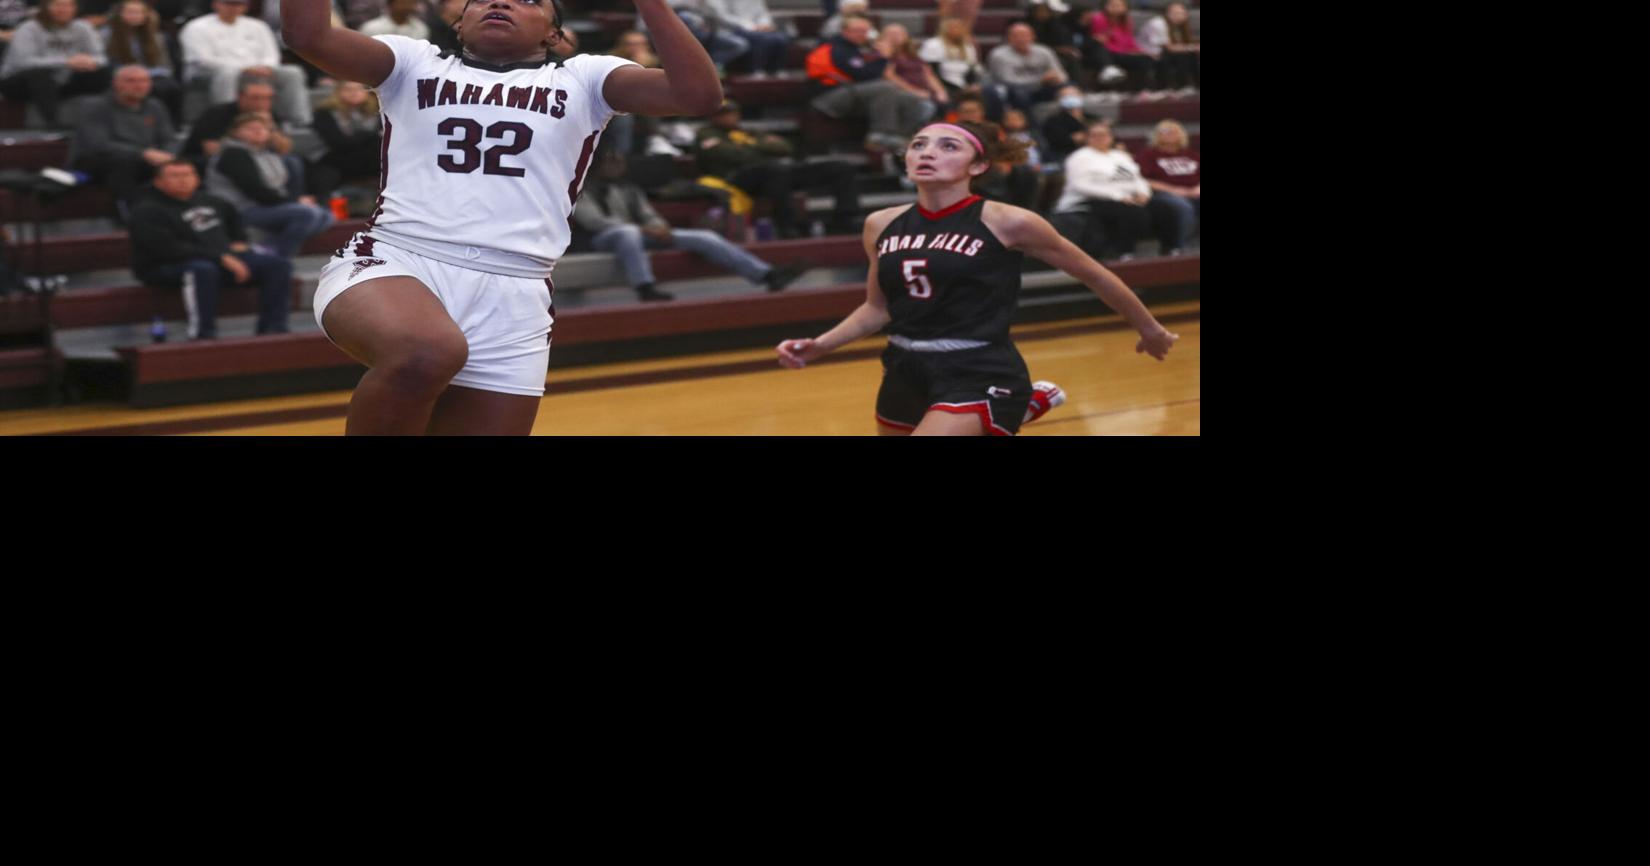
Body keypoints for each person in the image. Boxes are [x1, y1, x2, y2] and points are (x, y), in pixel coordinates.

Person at [283, 0, 724, 435]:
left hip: (517, 290)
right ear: (459, 25)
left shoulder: (585, 79)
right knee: (426, 353)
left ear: (554, 34)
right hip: (399, 259)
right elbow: (307, 36)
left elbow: (698, 96)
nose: (500, 2)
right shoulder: (413, 62)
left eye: (528, 0)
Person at [775, 120, 1176, 435]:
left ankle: (1011, 401)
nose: (928, 152)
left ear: (978, 166)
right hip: (903, 365)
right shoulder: (880, 224)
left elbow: (1096, 275)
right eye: (918, 144)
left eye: (948, 146)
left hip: (977, 366)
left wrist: (1150, 329)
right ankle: (1020, 407)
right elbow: (877, 308)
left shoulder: (1008, 221)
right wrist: (820, 346)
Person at [575, 148, 808, 301]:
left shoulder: (629, 189)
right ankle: (645, 287)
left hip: (639, 235)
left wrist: (660, 227)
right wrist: (644, 229)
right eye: (610, 162)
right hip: (598, 239)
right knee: (626, 232)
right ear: (597, 165)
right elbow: (594, 221)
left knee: (704, 237)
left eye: (619, 162)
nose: (616, 166)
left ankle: (767, 275)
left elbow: (648, 214)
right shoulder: (581, 190)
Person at [129, 159, 294, 339]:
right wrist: (220, 257)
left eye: (188, 174)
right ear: (158, 182)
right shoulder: (147, 210)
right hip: (166, 266)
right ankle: (202, 333)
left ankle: (273, 328)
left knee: (278, 265)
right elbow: (167, 249)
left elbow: (235, 225)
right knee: (202, 269)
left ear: (197, 178)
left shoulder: (214, 202)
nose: (183, 180)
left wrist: (239, 241)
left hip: (219, 260)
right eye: (175, 176)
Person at [695, 98, 860, 237]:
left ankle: (845, 220)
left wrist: (750, 146)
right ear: (713, 117)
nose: (728, 117)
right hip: (736, 178)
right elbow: (732, 156)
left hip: (774, 174)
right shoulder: (707, 134)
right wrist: (760, 147)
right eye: (722, 114)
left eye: (731, 113)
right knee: (774, 170)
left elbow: (785, 147)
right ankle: (788, 226)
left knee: (840, 168)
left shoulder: (749, 132)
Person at [204, 111, 335, 257]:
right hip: (239, 209)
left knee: (326, 216)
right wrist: (294, 202)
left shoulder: (266, 153)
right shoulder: (233, 154)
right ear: (235, 133)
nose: (257, 131)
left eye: (262, 128)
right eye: (250, 129)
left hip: (265, 205)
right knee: (307, 214)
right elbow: (255, 190)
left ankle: (271, 248)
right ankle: (278, 254)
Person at [809, 13, 929, 152]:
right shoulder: (836, 49)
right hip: (828, 98)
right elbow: (865, 75)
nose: (862, 35)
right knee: (885, 87)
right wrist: (884, 57)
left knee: (911, 100)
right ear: (844, 31)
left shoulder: (857, 48)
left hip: (854, 93)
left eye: (865, 31)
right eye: (858, 31)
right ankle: (879, 135)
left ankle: (900, 137)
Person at [180, 0, 312, 126]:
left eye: (238, 4)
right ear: (216, 4)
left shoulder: (258, 26)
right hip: (209, 73)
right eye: (228, 3)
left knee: (292, 72)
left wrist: (266, 67)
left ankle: (297, 120)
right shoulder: (197, 27)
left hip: (256, 71)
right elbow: (202, 59)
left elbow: (271, 54)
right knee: (228, 74)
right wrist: (243, 68)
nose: (233, 7)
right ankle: (226, 119)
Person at [69, 64, 174, 217]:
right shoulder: (94, 106)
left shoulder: (155, 106)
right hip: (94, 161)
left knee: (188, 164)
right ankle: (128, 216)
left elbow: (168, 139)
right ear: (116, 83)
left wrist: (169, 155)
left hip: (144, 159)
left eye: (144, 81)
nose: (139, 86)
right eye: (131, 81)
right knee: (123, 164)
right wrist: (143, 153)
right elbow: (99, 144)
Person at [0, 0, 111, 127]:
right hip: (18, 82)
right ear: (46, 8)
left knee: (101, 73)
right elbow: (23, 62)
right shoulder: (28, 28)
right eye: (58, 5)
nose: (63, 9)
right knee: (39, 75)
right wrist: (67, 61)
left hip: (61, 80)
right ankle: (52, 124)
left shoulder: (83, 27)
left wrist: (90, 61)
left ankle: (98, 122)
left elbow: (101, 57)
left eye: (68, 5)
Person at [1053, 119, 1149, 259]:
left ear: (1111, 137)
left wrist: (1144, 193)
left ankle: (1172, 250)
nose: (1100, 138)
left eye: (1103, 134)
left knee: (1162, 207)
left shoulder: (1121, 156)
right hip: (1088, 200)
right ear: (1087, 138)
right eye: (1095, 135)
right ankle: (1124, 253)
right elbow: (1079, 185)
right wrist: (1118, 196)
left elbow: (1137, 178)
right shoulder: (1079, 157)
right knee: (1131, 212)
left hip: (1126, 198)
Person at [100, 1, 181, 124]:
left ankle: (172, 126)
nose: (134, 16)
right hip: (120, 74)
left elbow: (165, 65)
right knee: (146, 87)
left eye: (138, 13)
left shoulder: (157, 37)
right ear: (119, 14)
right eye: (130, 12)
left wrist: (146, 75)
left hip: (152, 74)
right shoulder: (106, 35)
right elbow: (105, 62)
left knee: (171, 87)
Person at [311, 79, 382, 195]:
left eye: (359, 89)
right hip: (336, 158)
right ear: (338, 92)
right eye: (348, 89)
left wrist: (363, 137)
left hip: (368, 158)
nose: (354, 93)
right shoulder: (325, 113)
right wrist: (367, 136)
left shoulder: (377, 112)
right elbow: (338, 142)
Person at [1137, 119, 1197, 255]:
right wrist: (1174, 190)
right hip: (1162, 193)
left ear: (1181, 134)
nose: (1169, 134)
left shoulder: (1191, 154)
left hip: (1193, 191)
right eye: (1165, 131)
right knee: (1183, 206)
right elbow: (1143, 180)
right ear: (1157, 135)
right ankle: (1180, 248)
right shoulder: (1148, 155)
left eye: (1173, 131)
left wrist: (1197, 189)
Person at [985, 22, 1065, 113]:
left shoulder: (1044, 51)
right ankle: (1028, 121)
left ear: (1033, 37)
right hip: (1011, 89)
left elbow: (1060, 73)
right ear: (1008, 38)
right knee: (1020, 94)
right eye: (1016, 36)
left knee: (1067, 88)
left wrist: (1058, 79)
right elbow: (1008, 81)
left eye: (1025, 35)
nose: (1021, 39)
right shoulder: (999, 55)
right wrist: (1040, 81)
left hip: (1041, 87)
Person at [877, 23, 946, 118]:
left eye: (900, 33)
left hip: (925, 91)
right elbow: (889, 76)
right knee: (926, 107)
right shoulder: (884, 56)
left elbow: (928, 75)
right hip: (901, 92)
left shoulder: (913, 55)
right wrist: (914, 91)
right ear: (883, 36)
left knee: (945, 104)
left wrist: (940, 91)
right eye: (892, 34)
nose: (896, 36)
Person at [1082, 0, 1152, 91]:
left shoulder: (1126, 21)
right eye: (1112, 5)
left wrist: (1139, 51)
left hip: (1122, 52)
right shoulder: (1099, 19)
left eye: (1119, 5)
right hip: (1106, 53)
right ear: (1105, 6)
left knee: (1145, 59)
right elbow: (1101, 41)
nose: (1115, 7)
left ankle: (1141, 90)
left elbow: (1130, 40)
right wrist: (1124, 52)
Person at [705, 0, 788, 77]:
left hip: (755, 28)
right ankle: (756, 71)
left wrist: (764, 25)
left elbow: (762, 13)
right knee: (761, 39)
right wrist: (749, 26)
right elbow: (721, 16)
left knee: (780, 38)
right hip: (730, 29)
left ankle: (776, 71)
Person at [1137, 0, 1198, 92]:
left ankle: (1196, 87)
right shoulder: (1158, 23)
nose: (1178, 16)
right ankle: (1182, 87)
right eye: (1175, 13)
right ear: (1167, 13)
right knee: (1183, 55)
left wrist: (1192, 47)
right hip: (1148, 53)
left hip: (1164, 52)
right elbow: (1169, 48)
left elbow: (1182, 44)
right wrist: (1192, 47)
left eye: (1182, 13)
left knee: (1191, 55)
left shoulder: (1180, 27)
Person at [1040, 82, 1088, 164]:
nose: (1070, 98)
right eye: (1065, 96)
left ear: (1081, 96)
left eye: (1073, 94)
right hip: (1066, 157)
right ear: (1058, 99)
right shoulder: (1053, 121)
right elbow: (1059, 141)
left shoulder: (1092, 117)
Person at [361, 0, 432, 40]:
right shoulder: (371, 28)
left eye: (411, 3)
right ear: (390, 5)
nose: (407, 6)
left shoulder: (421, 28)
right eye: (403, 2)